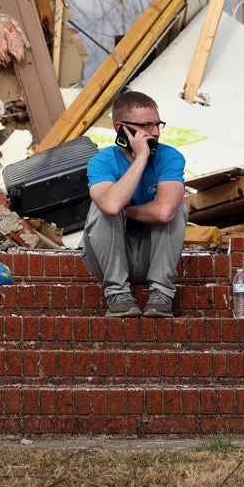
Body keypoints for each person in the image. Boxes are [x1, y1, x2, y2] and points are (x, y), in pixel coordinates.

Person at [80, 90, 187, 318]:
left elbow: (166, 211)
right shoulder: (101, 161)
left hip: (151, 256)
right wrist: (140, 159)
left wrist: (126, 210)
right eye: (147, 126)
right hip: (111, 257)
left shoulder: (170, 157)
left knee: (178, 207)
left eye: (158, 125)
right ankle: (118, 294)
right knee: (100, 207)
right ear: (122, 128)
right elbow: (109, 206)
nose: (156, 133)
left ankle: (161, 293)